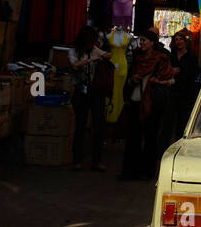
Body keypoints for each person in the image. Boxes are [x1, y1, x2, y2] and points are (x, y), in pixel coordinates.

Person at [119, 30, 176, 180]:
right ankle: (131, 171)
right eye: (141, 40)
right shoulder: (137, 58)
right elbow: (129, 79)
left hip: (153, 103)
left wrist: (157, 82)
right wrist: (133, 79)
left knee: (150, 138)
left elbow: (170, 79)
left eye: (144, 40)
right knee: (133, 138)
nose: (142, 43)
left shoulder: (161, 59)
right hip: (137, 100)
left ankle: (147, 172)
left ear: (152, 42)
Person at [68, 25, 111, 172]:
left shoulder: (93, 48)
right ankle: (77, 160)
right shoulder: (73, 51)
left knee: (98, 125)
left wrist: (103, 56)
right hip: (80, 91)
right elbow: (74, 65)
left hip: (95, 91)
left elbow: (107, 55)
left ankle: (96, 160)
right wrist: (91, 60)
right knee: (80, 125)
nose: (91, 45)